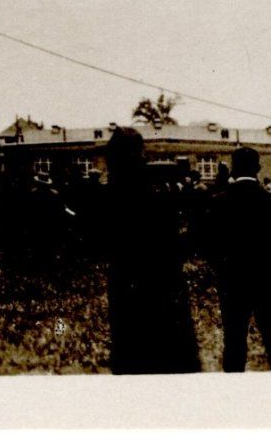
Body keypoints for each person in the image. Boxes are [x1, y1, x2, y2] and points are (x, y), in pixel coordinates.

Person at [101, 128, 200, 373]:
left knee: (131, 345)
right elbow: (174, 229)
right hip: (162, 275)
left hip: (126, 277)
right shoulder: (157, 187)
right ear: (140, 151)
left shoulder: (110, 190)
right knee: (170, 343)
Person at [204, 146, 271, 372]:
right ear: (257, 168)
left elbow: (208, 245)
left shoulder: (218, 203)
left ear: (233, 169)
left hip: (232, 282)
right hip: (269, 282)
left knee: (234, 342)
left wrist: (221, 271)